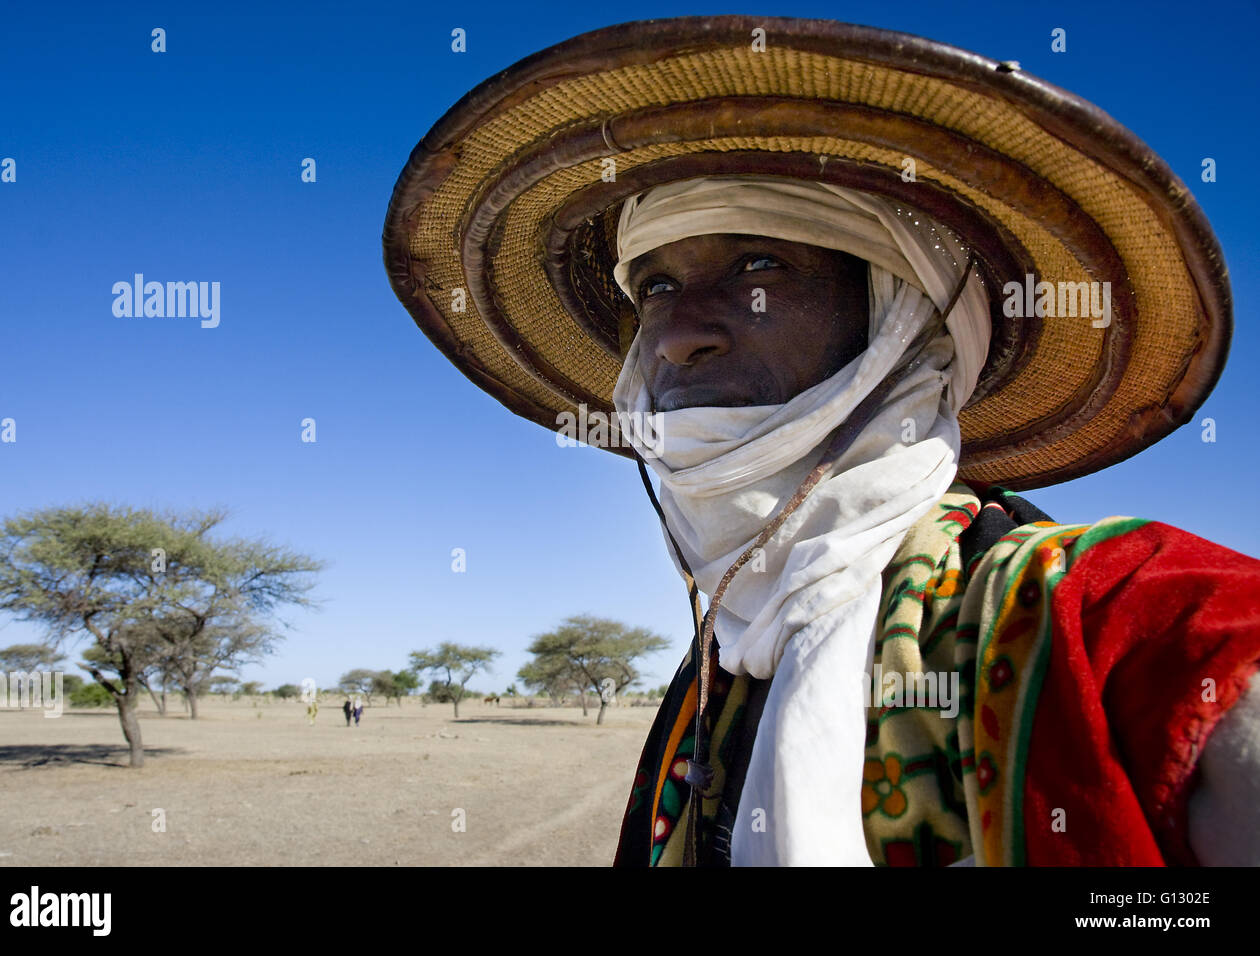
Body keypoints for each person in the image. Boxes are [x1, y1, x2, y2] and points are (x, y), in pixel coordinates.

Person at [382, 17, 1260, 866]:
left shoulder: (1105, 611)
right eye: (652, 285)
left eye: (760, 265)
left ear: (904, 318)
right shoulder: (720, 658)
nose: (678, 333)